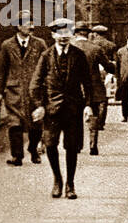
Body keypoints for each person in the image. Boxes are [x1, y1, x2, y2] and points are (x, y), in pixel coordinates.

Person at [29, 18, 93, 199]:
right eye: (59, 33)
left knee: (72, 147)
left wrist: (88, 106)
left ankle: (70, 184)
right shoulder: (46, 56)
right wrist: (39, 105)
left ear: (71, 35)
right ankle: (57, 179)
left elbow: (88, 84)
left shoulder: (79, 55)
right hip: (51, 111)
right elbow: (35, 84)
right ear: (53, 35)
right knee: (50, 145)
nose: (63, 37)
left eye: (67, 33)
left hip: (73, 110)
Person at [0, 15, 46, 165]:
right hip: (14, 91)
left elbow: (46, 67)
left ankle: (33, 149)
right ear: (18, 26)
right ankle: (17, 156)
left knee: (36, 123)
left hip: (34, 90)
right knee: (14, 123)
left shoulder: (40, 44)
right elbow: (1, 70)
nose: (31, 26)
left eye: (32, 22)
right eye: (27, 23)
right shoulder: (7, 45)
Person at [71, 23, 110, 156]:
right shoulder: (95, 48)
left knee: (76, 116)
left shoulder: (70, 48)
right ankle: (93, 145)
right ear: (88, 33)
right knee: (93, 115)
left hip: (74, 87)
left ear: (75, 33)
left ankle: (77, 145)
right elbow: (108, 65)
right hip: (93, 87)